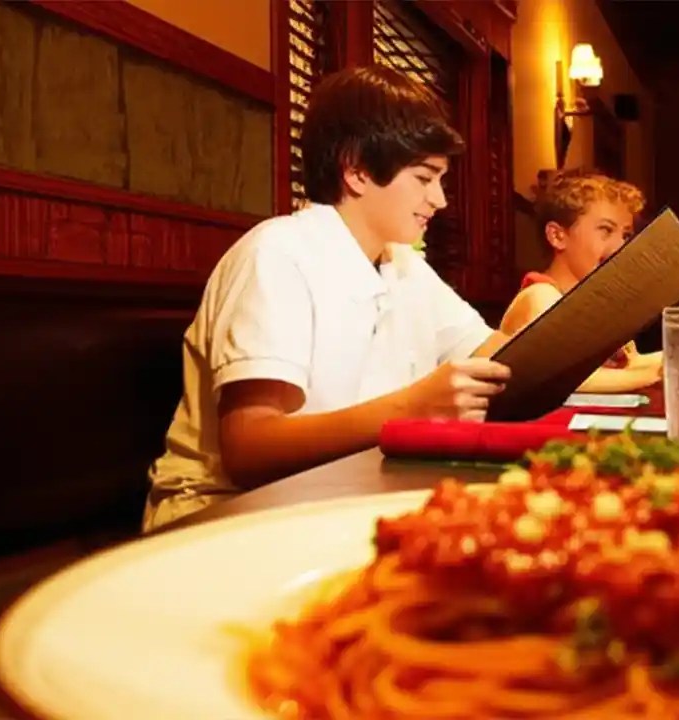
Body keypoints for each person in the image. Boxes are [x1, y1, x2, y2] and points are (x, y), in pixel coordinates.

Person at [143, 65, 512, 531]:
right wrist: (411, 409)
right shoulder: (278, 253)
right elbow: (249, 449)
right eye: (424, 177)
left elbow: (498, 354)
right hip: (226, 515)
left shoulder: (403, 265)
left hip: (342, 497)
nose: (439, 200)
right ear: (356, 170)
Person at [499, 169, 662, 393]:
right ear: (557, 236)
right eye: (605, 230)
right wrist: (657, 374)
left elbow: (629, 364)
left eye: (625, 235)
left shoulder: (598, 306)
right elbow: (564, 378)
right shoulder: (541, 296)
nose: (621, 247)